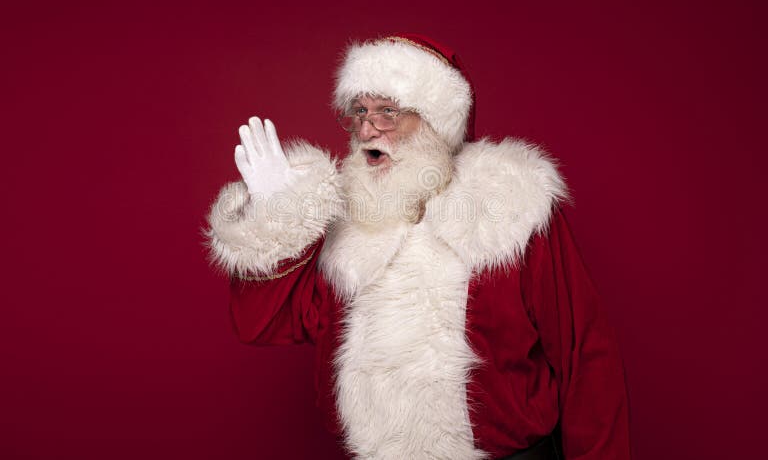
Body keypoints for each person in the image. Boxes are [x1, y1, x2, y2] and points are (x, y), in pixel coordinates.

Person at [205, 34, 632, 459]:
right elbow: (262, 325)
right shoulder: (346, 220)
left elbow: (585, 354)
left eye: (387, 112)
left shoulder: (511, 206)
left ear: (434, 123)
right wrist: (279, 217)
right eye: (359, 111)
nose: (367, 129)